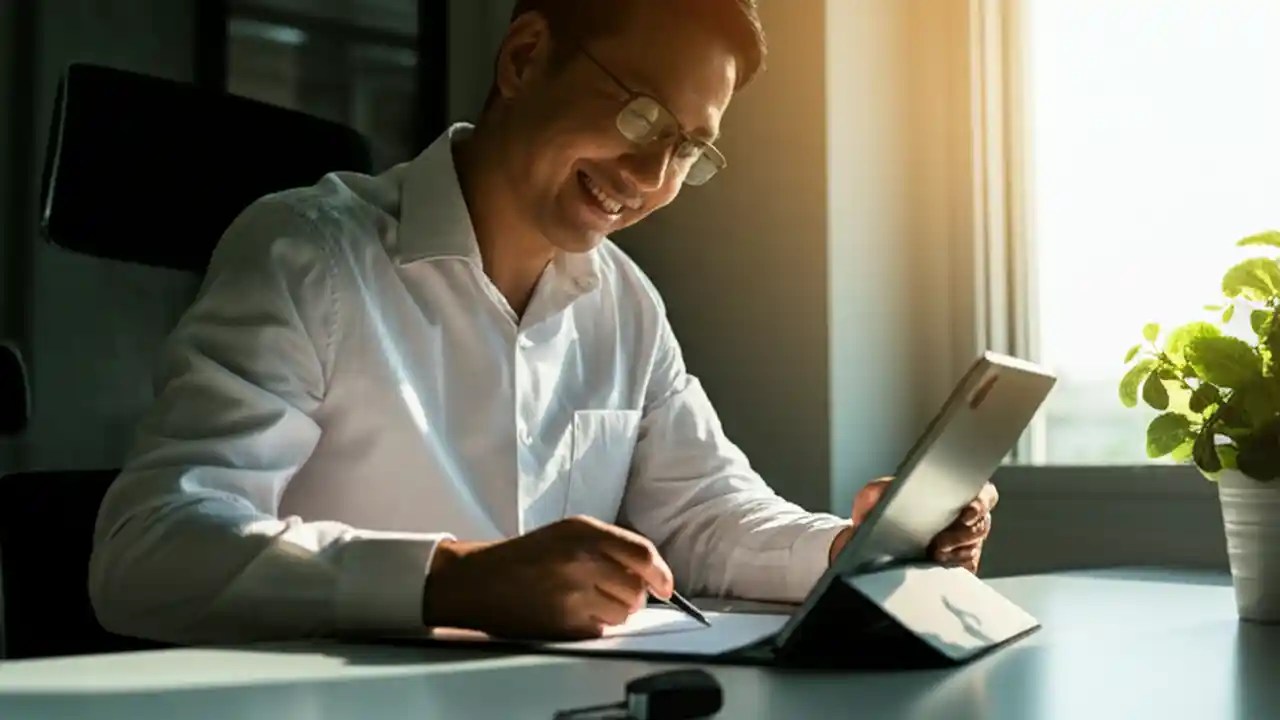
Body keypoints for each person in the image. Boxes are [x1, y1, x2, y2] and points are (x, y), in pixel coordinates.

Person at [89, 0, 998, 644]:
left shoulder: (627, 306)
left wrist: (848, 549)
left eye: (686, 145)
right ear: (524, 58)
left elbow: (708, 514)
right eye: (642, 113)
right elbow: (149, 550)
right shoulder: (308, 254)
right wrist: (448, 579)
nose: (650, 174)